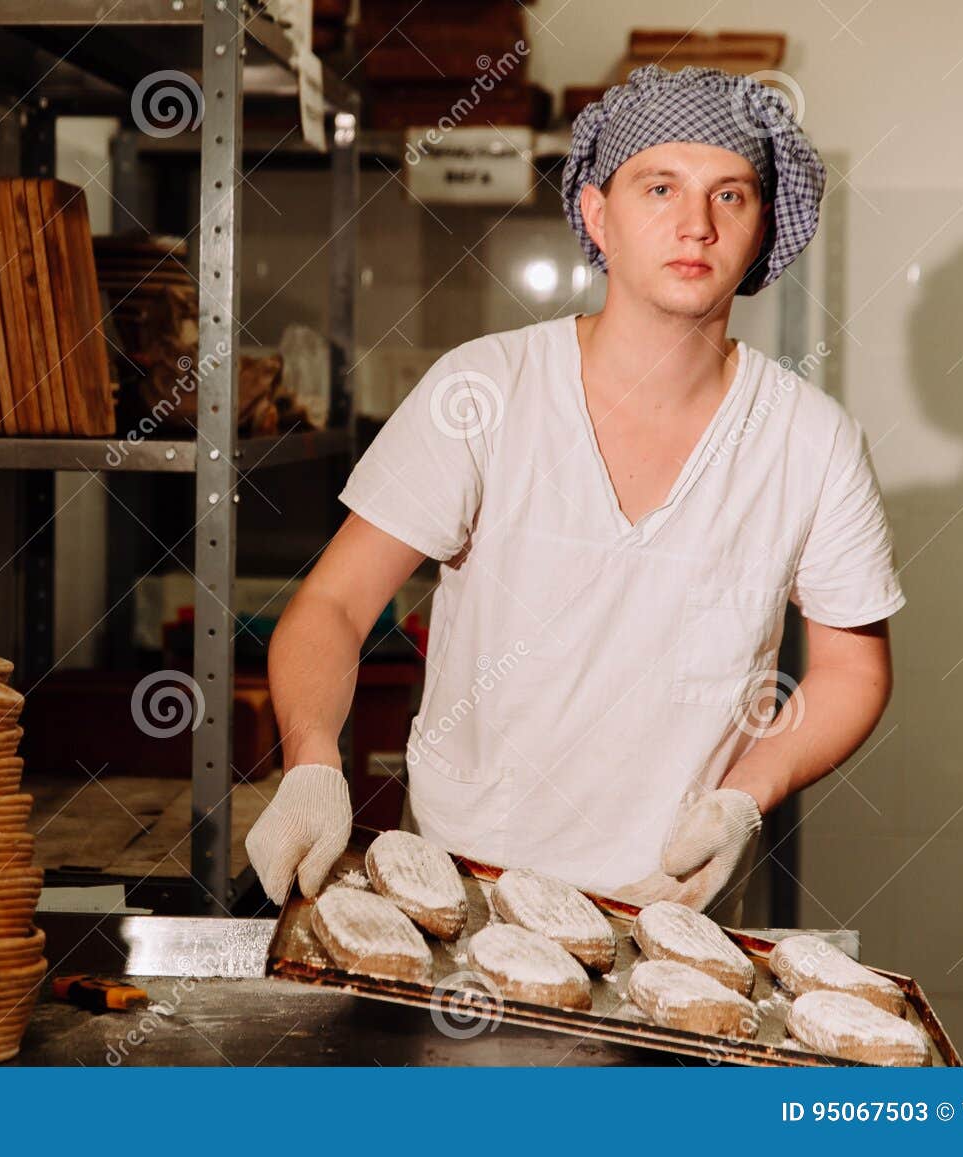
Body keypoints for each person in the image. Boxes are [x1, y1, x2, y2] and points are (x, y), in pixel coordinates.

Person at [245, 64, 904, 927]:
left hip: (670, 917)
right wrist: (311, 762)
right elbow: (334, 604)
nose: (696, 224)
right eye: (659, 187)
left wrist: (747, 793)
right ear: (597, 214)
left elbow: (853, 668)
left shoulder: (811, 441)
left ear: (761, 229)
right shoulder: (486, 390)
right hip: (461, 899)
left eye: (730, 195)